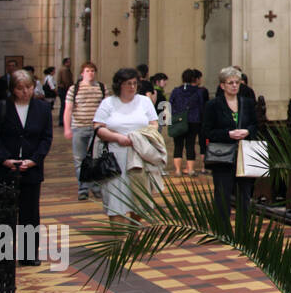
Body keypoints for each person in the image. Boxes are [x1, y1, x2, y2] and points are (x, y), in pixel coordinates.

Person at [0, 69, 53, 265]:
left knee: (30, 214)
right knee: (2, 212)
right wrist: (5, 158)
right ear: (13, 89)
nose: (25, 92)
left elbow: (46, 138)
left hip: (31, 168)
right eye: (20, 88)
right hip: (4, 167)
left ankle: (29, 255)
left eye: (29, 88)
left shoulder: (42, 109)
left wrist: (34, 159)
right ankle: (1, 255)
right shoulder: (0, 108)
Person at [92, 67, 163, 225]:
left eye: (134, 83)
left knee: (139, 198)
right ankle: (119, 241)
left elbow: (154, 123)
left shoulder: (144, 101)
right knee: (116, 200)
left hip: (139, 156)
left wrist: (139, 137)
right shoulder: (108, 103)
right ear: (119, 85)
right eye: (128, 84)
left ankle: (133, 234)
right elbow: (98, 126)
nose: (132, 87)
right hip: (115, 157)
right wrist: (116, 137)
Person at [203, 66, 259, 219]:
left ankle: (243, 230)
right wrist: (228, 134)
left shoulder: (247, 103)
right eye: (230, 83)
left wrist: (247, 132)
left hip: (244, 153)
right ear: (222, 85)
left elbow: (256, 125)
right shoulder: (213, 105)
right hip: (223, 155)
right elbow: (207, 131)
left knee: (245, 194)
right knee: (223, 194)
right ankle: (223, 230)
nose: (234, 85)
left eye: (237, 82)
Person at [63, 61, 107, 201]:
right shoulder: (73, 89)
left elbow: (107, 108)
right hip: (79, 127)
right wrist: (67, 128)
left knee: (95, 159)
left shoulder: (101, 87)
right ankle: (83, 188)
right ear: (82, 73)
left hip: (96, 128)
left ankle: (95, 187)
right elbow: (68, 109)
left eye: (93, 71)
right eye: (88, 71)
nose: (91, 73)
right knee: (80, 160)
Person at [168, 69, 206, 177]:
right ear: (194, 79)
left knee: (178, 145)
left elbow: (170, 104)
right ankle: (190, 170)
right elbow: (201, 107)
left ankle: (178, 170)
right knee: (190, 145)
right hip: (194, 120)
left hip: (179, 120)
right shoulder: (198, 91)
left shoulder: (176, 91)